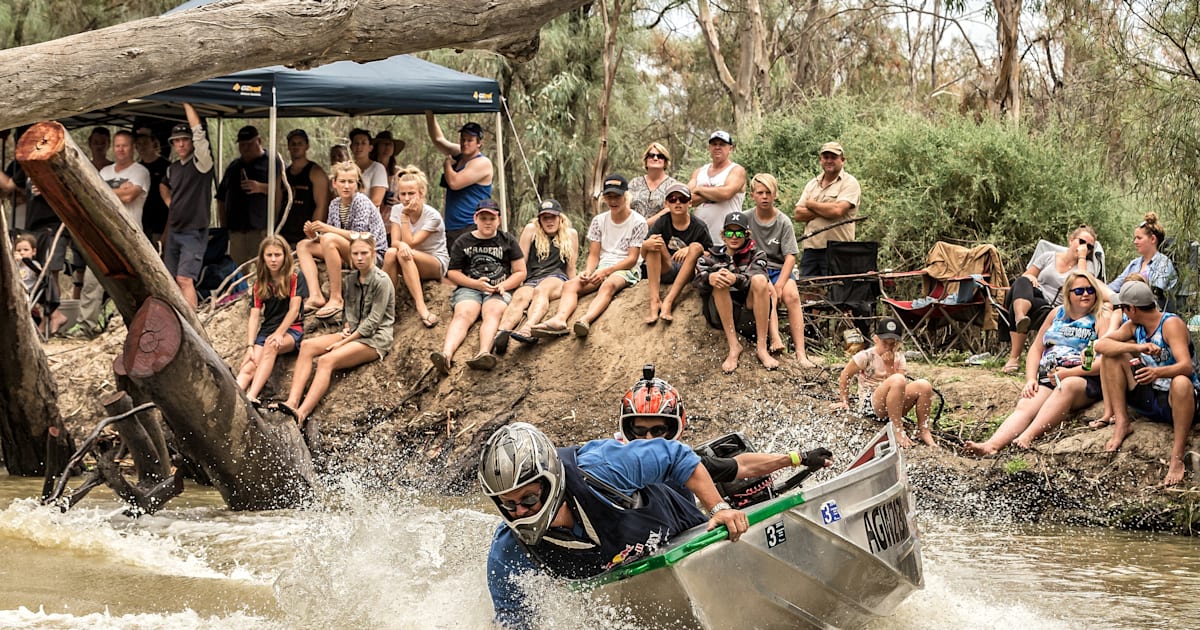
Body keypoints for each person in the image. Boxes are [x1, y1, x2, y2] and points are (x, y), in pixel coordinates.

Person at [481, 422, 749, 628]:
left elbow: (675, 455)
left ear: (550, 480)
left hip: (681, 524)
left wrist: (719, 508)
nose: (521, 512)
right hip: (631, 582)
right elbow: (512, 621)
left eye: (528, 499)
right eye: (509, 504)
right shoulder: (509, 549)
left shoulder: (599, 466)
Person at [964, 271, 1108, 455]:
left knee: (1067, 386)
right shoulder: (1057, 314)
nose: (1086, 294)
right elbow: (1036, 349)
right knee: (1027, 403)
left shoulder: (1100, 317)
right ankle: (991, 445)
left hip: (1083, 378)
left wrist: (1069, 373)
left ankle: (1028, 436)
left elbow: (1105, 361)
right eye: (1079, 291)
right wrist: (1031, 378)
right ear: (1069, 294)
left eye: (1090, 290)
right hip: (1049, 376)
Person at [618, 367, 834, 487]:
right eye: (639, 431)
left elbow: (740, 466)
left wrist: (799, 457)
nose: (648, 439)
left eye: (657, 431)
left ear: (675, 428)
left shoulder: (682, 461)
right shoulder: (611, 462)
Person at [275, 232, 393, 431]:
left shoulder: (382, 281)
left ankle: (301, 414)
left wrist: (342, 342)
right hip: (353, 333)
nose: (359, 258)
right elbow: (348, 312)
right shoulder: (350, 280)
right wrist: (346, 328)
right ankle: (292, 402)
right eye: (355, 254)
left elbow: (373, 323)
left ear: (373, 253)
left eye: (364, 253)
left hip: (375, 339)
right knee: (307, 345)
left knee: (326, 360)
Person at [1095, 281, 1198, 486]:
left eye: (1122, 307)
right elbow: (1101, 345)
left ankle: (1176, 457)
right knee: (1111, 356)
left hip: (1176, 400)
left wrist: (1156, 372)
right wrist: (1140, 347)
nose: (1122, 312)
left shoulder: (1170, 324)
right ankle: (1122, 422)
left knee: (1181, 382)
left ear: (1131, 309)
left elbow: (1186, 366)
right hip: (1151, 394)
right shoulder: (1134, 326)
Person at [530, 174, 645, 339]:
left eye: (617, 197)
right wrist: (588, 271)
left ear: (626, 196)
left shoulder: (638, 222)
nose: (613, 201)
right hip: (602, 267)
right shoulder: (599, 221)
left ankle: (585, 319)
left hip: (626, 269)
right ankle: (560, 319)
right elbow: (594, 254)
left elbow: (633, 258)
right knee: (570, 285)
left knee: (609, 285)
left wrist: (606, 272)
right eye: (609, 196)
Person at [70, 129, 151, 337]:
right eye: (117, 146)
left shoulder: (140, 171)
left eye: (125, 145)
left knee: (131, 284)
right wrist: (114, 191)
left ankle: (130, 326)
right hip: (103, 236)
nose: (120, 150)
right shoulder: (105, 172)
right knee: (92, 280)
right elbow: (91, 196)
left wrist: (104, 191)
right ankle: (85, 326)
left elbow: (128, 196)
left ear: (132, 148)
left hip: (130, 237)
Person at [432, 199, 526, 374]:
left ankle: (484, 353)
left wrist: (504, 285)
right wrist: (475, 284)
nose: (487, 222)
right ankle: (446, 355)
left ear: (498, 219)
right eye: (483, 218)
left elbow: (521, 271)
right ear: (476, 219)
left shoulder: (507, 240)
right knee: (463, 314)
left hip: (498, 288)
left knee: (493, 312)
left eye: (491, 218)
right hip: (469, 287)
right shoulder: (463, 241)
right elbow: (453, 272)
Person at [1001, 225, 1102, 374]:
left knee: (1018, 304)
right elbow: (1028, 275)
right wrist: (1030, 277)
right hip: (1033, 294)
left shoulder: (1087, 266)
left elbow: (1083, 281)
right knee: (1022, 282)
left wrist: (1081, 257)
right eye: (1081, 242)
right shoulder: (1048, 256)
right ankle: (1020, 317)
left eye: (1089, 246)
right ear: (1071, 240)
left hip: (1052, 306)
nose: (1084, 247)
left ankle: (1014, 356)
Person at [298, 161, 389, 321]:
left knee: (329, 238)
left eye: (351, 182)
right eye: (342, 181)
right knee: (303, 245)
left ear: (357, 184)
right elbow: (329, 240)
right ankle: (315, 295)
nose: (346, 186)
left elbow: (361, 236)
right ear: (334, 183)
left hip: (369, 254)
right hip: (346, 251)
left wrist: (327, 229)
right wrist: (314, 236)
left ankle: (336, 298)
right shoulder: (334, 204)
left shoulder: (361, 201)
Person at [830, 317, 935, 448]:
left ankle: (924, 430)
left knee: (924, 385)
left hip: (894, 402)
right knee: (898, 379)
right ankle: (897, 429)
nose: (888, 348)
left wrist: (890, 366)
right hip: (872, 403)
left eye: (893, 344)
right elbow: (845, 375)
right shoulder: (866, 356)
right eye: (885, 343)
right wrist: (844, 400)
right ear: (876, 339)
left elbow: (900, 386)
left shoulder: (899, 357)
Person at [694, 211, 776, 373]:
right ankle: (734, 346)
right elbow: (696, 281)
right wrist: (710, 278)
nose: (734, 237)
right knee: (719, 278)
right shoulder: (711, 256)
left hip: (749, 312)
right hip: (719, 314)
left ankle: (762, 348)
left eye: (739, 233)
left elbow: (758, 276)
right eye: (730, 232)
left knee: (760, 280)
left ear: (746, 235)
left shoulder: (757, 255)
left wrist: (735, 279)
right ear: (723, 235)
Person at [747, 173, 814, 368]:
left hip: (779, 269)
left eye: (769, 192)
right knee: (768, 291)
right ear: (753, 195)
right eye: (760, 193)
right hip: (756, 269)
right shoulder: (746, 218)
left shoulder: (783, 221)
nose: (764, 197)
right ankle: (773, 340)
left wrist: (780, 284)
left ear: (775, 194)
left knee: (792, 294)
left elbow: (791, 256)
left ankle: (801, 353)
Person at [494, 199, 578, 349]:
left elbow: (571, 268)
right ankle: (502, 333)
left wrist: (576, 287)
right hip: (532, 278)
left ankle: (529, 327)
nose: (549, 221)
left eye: (553, 217)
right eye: (545, 218)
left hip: (557, 277)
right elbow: (521, 261)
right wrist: (517, 283)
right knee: (520, 297)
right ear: (539, 220)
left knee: (542, 289)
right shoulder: (531, 230)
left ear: (560, 218)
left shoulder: (570, 234)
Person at [236, 235, 307, 404]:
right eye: (269, 255)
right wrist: (250, 346)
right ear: (263, 258)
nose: (274, 260)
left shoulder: (295, 276)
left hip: (291, 329)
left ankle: (251, 396)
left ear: (285, 256)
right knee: (249, 366)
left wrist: (279, 334)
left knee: (271, 345)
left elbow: (294, 309)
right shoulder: (259, 282)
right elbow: (254, 316)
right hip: (267, 330)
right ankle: (232, 399)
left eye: (278, 255)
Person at [160, 103, 215, 309]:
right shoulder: (173, 168)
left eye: (184, 140)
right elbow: (163, 186)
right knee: (171, 281)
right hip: (175, 229)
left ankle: (192, 322)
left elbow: (199, 135)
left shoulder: (202, 164)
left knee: (185, 279)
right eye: (177, 141)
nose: (181, 145)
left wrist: (187, 103)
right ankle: (177, 320)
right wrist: (169, 203)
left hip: (194, 230)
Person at [381, 165, 448, 328]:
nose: (406, 198)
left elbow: (410, 242)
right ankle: (384, 305)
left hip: (434, 262)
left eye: (411, 193)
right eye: (402, 194)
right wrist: (402, 244)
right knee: (391, 253)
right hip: (408, 257)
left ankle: (421, 306)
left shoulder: (432, 216)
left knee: (404, 253)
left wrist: (405, 216)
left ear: (421, 192)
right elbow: (395, 242)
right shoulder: (397, 209)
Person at [642, 182, 711, 325]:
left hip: (688, 270)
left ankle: (668, 301)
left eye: (683, 199)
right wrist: (645, 245)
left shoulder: (699, 226)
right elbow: (644, 254)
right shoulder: (662, 222)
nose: (677, 202)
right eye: (673, 199)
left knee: (696, 246)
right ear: (667, 203)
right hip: (666, 267)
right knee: (654, 242)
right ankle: (654, 302)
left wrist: (690, 249)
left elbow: (710, 253)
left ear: (690, 203)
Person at [793, 141, 861, 278]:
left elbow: (837, 211)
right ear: (821, 160)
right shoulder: (812, 184)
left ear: (842, 160)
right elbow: (798, 214)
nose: (829, 160)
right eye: (826, 157)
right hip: (811, 249)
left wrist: (812, 205)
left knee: (836, 293)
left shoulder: (850, 183)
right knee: (809, 290)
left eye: (833, 157)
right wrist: (825, 209)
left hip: (838, 250)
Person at [218, 125, 283, 266]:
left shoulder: (273, 163)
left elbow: (283, 192)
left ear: (259, 141)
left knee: (263, 270)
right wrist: (224, 228)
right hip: (236, 230)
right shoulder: (234, 167)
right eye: (242, 145)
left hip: (262, 229)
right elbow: (221, 198)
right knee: (237, 271)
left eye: (249, 144)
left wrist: (261, 187)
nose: (245, 148)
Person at [425, 114, 495, 246]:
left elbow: (454, 183)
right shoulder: (459, 154)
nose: (465, 143)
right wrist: (429, 114)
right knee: (453, 266)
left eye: (470, 140)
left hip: (470, 226)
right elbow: (438, 139)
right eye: (462, 139)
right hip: (452, 226)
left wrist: (447, 164)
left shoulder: (482, 163)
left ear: (479, 143)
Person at [687, 130, 747, 243]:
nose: (718, 147)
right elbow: (688, 199)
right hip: (700, 239)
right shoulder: (699, 172)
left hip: (729, 239)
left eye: (722, 144)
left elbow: (726, 193)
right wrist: (715, 193)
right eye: (714, 144)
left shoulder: (736, 170)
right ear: (709, 147)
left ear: (730, 148)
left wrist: (699, 189)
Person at [1108, 212, 1177, 298]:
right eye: (1135, 238)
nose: (1135, 242)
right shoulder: (1134, 263)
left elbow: (1154, 293)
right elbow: (1115, 286)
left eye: (1139, 238)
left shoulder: (1163, 263)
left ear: (1152, 239)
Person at [281, 129, 330, 246]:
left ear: (307, 146)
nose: (296, 147)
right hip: (284, 236)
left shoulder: (316, 173)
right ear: (288, 146)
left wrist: (311, 235)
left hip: (305, 237)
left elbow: (322, 206)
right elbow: (277, 204)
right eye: (293, 143)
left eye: (300, 143)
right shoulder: (283, 174)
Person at [13, 233, 65, 334]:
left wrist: (26, 261)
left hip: (28, 294)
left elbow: (40, 273)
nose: (22, 252)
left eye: (26, 250)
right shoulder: (14, 266)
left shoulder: (34, 265)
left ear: (34, 252)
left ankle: (45, 323)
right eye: (19, 250)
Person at [628, 142, 680, 223]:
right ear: (646, 159)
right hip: (632, 231)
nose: (655, 158)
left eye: (660, 156)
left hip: (660, 232)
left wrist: (645, 225)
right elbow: (625, 206)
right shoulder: (634, 183)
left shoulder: (673, 186)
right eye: (651, 155)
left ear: (665, 161)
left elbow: (670, 210)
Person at [135, 127, 171, 245]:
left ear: (153, 143)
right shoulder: (136, 169)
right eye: (139, 144)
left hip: (162, 223)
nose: (142, 146)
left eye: (145, 143)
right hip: (142, 223)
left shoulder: (167, 167)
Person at [348, 128, 389, 210]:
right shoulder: (346, 167)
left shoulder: (378, 168)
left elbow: (376, 201)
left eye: (363, 143)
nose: (359, 146)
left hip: (369, 218)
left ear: (370, 148)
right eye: (356, 143)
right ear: (351, 147)